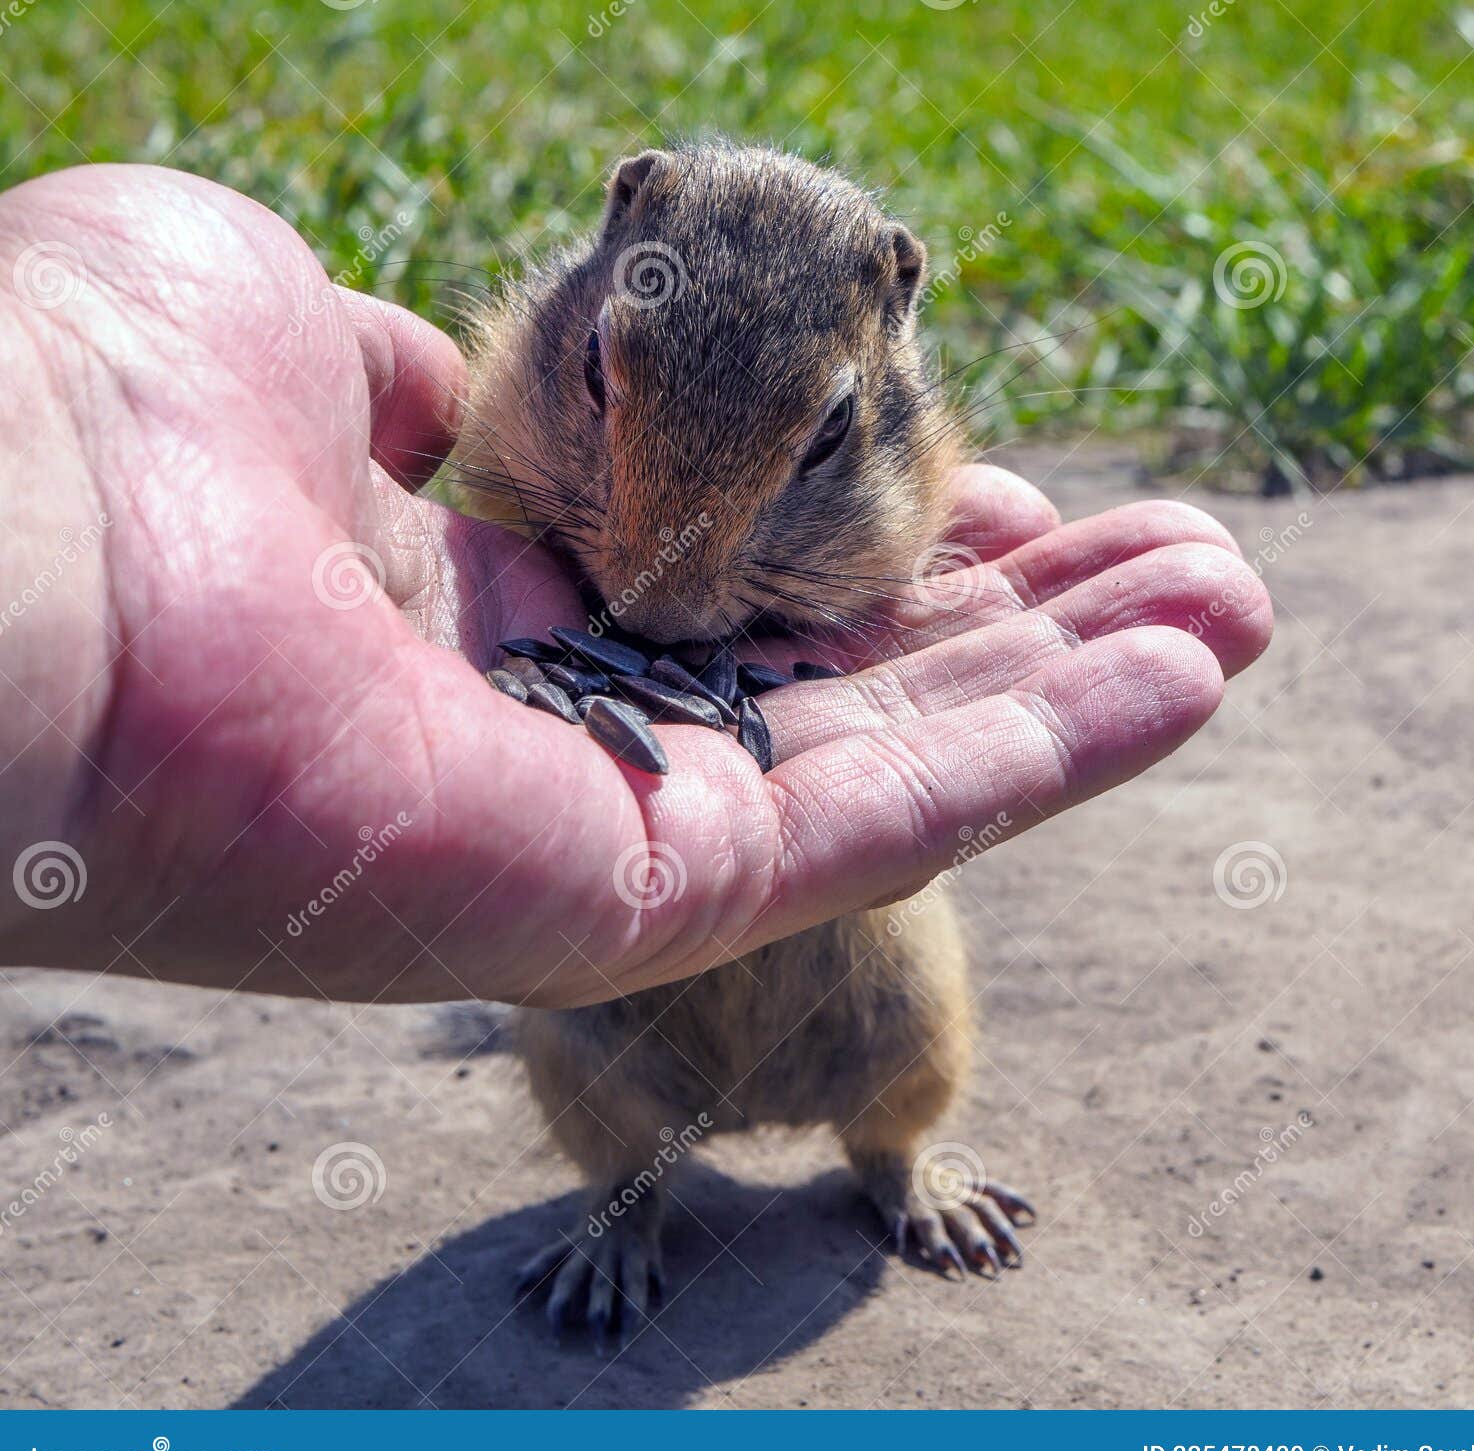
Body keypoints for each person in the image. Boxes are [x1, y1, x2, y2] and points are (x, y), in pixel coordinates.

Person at [0, 165, 1272, 1009]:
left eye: (821, 441)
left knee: (891, 1011)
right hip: (580, 982)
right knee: (585, 1040)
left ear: (898, 311)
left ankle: (895, 1158)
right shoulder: (544, 365)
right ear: (619, 233)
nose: (658, 584)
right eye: (606, 385)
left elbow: (894, 542)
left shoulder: (889, 437)